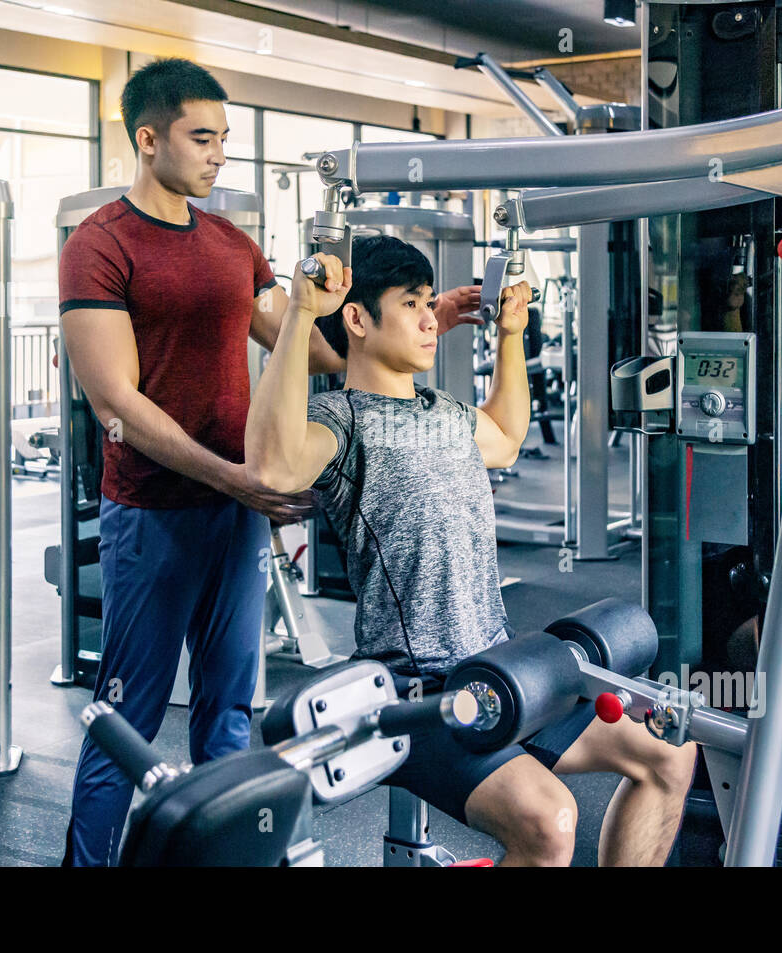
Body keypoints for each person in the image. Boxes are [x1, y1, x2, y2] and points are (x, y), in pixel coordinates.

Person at [57, 57, 483, 866]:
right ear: (148, 140)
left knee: (228, 712)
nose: (220, 154)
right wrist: (232, 479)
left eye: (225, 138)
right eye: (203, 137)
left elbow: (318, 348)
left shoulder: (228, 243)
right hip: (151, 512)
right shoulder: (100, 246)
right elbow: (116, 402)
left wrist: (429, 323)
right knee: (127, 717)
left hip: (237, 509)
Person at [244, 236, 697, 866]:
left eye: (430, 301)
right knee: (550, 820)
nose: (433, 319)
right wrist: (297, 313)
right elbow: (271, 466)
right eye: (411, 304)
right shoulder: (341, 421)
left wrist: (511, 334)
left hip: (504, 673)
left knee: (670, 752)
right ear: (357, 319)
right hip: (420, 695)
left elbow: (509, 437)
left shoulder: (447, 413)